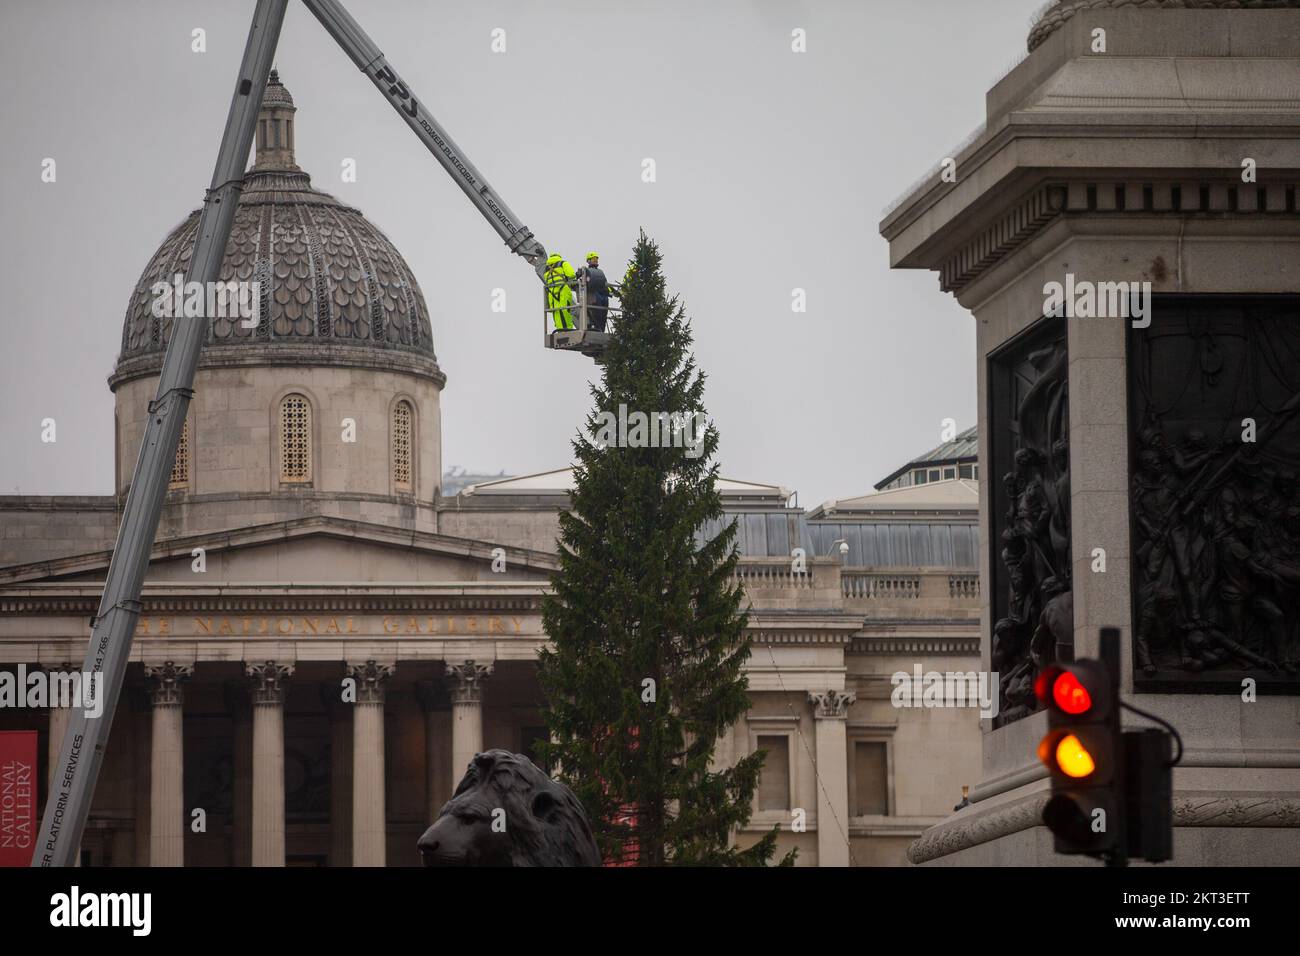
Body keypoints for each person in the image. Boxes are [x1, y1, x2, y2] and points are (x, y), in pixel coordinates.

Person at [576, 251, 610, 331]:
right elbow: (577, 278)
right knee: (596, 315)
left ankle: (601, 330)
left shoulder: (600, 272)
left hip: (603, 296)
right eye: (593, 258)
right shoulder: (585, 271)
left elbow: (605, 283)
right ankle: (597, 329)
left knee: (603, 315)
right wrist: (578, 274)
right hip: (593, 296)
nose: (595, 260)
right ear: (588, 260)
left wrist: (610, 292)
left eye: (596, 258)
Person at [544, 253, 576, 330]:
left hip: (552, 295)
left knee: (557, 314)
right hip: (563, 292)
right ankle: (568, 330)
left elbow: (546, 280)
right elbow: (571, 275)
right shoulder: (563, 263)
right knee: (566, 312)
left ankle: (560, 330)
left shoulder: (546, 269)